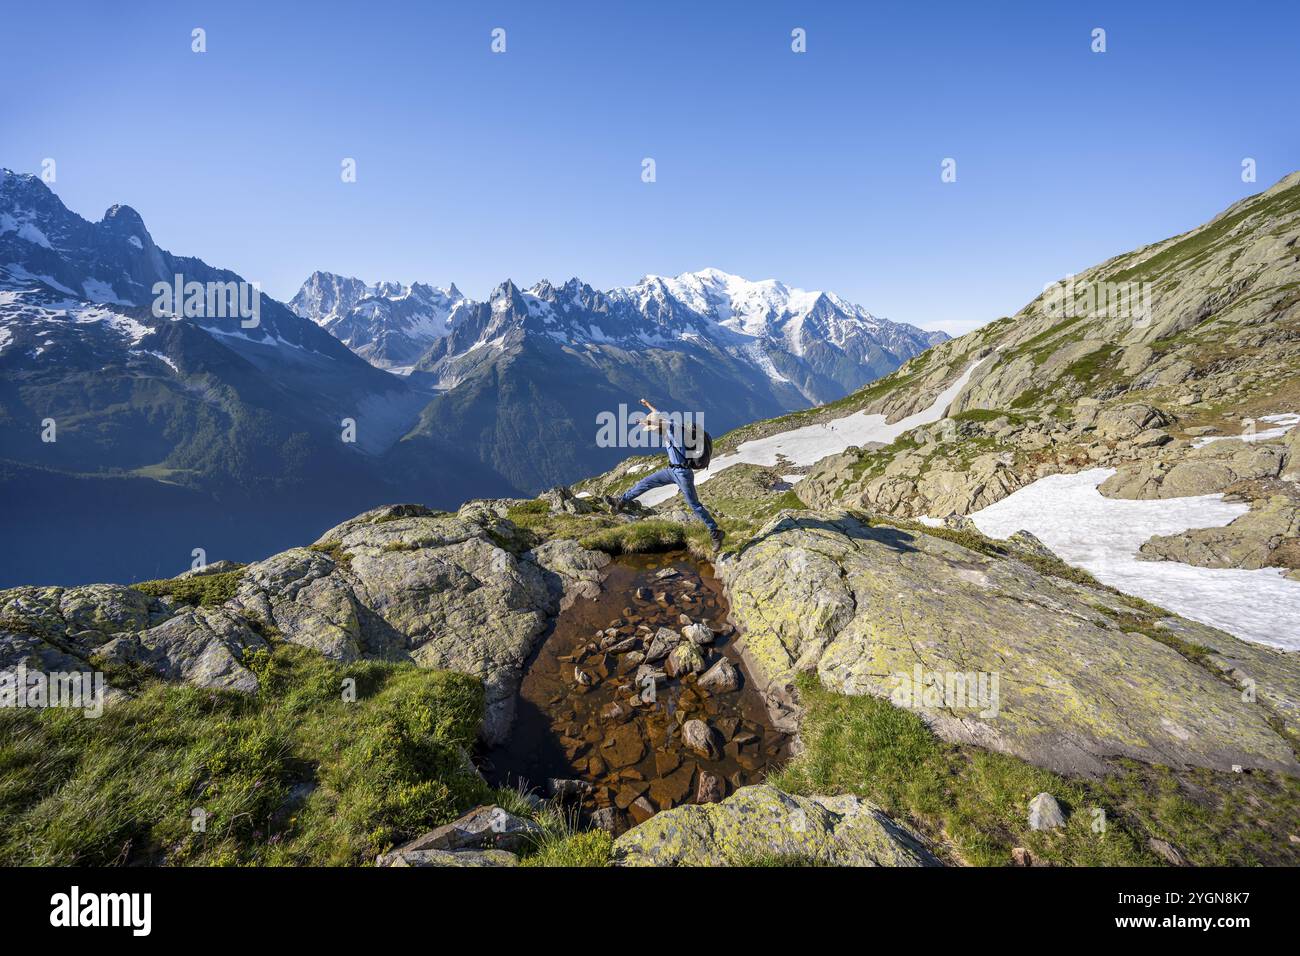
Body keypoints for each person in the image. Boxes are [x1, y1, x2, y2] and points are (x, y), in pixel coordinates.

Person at [611, 398, 725, 551]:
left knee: (694, 505)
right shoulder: (668, 427)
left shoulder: (672, 430)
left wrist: (646, 422)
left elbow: (662, 422)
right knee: (645, 482)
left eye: (653, 430)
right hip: (672, 470)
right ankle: (621, 502)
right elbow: (658, 414)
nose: (654, 433)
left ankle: (715, 532)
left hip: (683, 473)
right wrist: (648, 405)